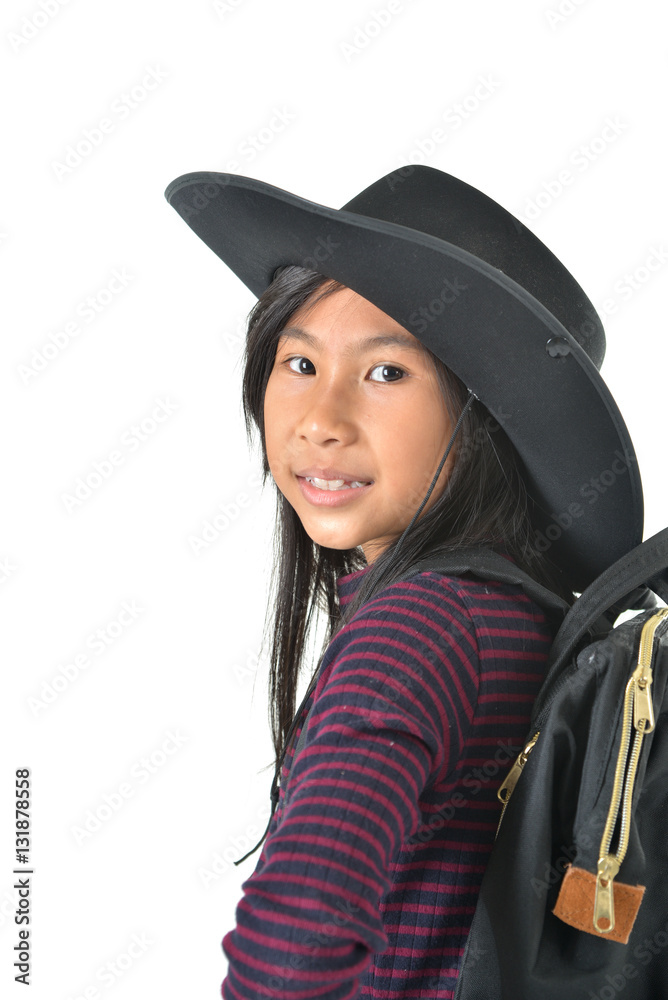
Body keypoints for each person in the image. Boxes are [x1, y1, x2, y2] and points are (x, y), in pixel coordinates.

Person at [164, 164, 643, 999]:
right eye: (298, 362)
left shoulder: (421, 630)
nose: (319, 421)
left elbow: (289, 957)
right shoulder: (515, 616)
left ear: (485, 412)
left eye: (387, 373)